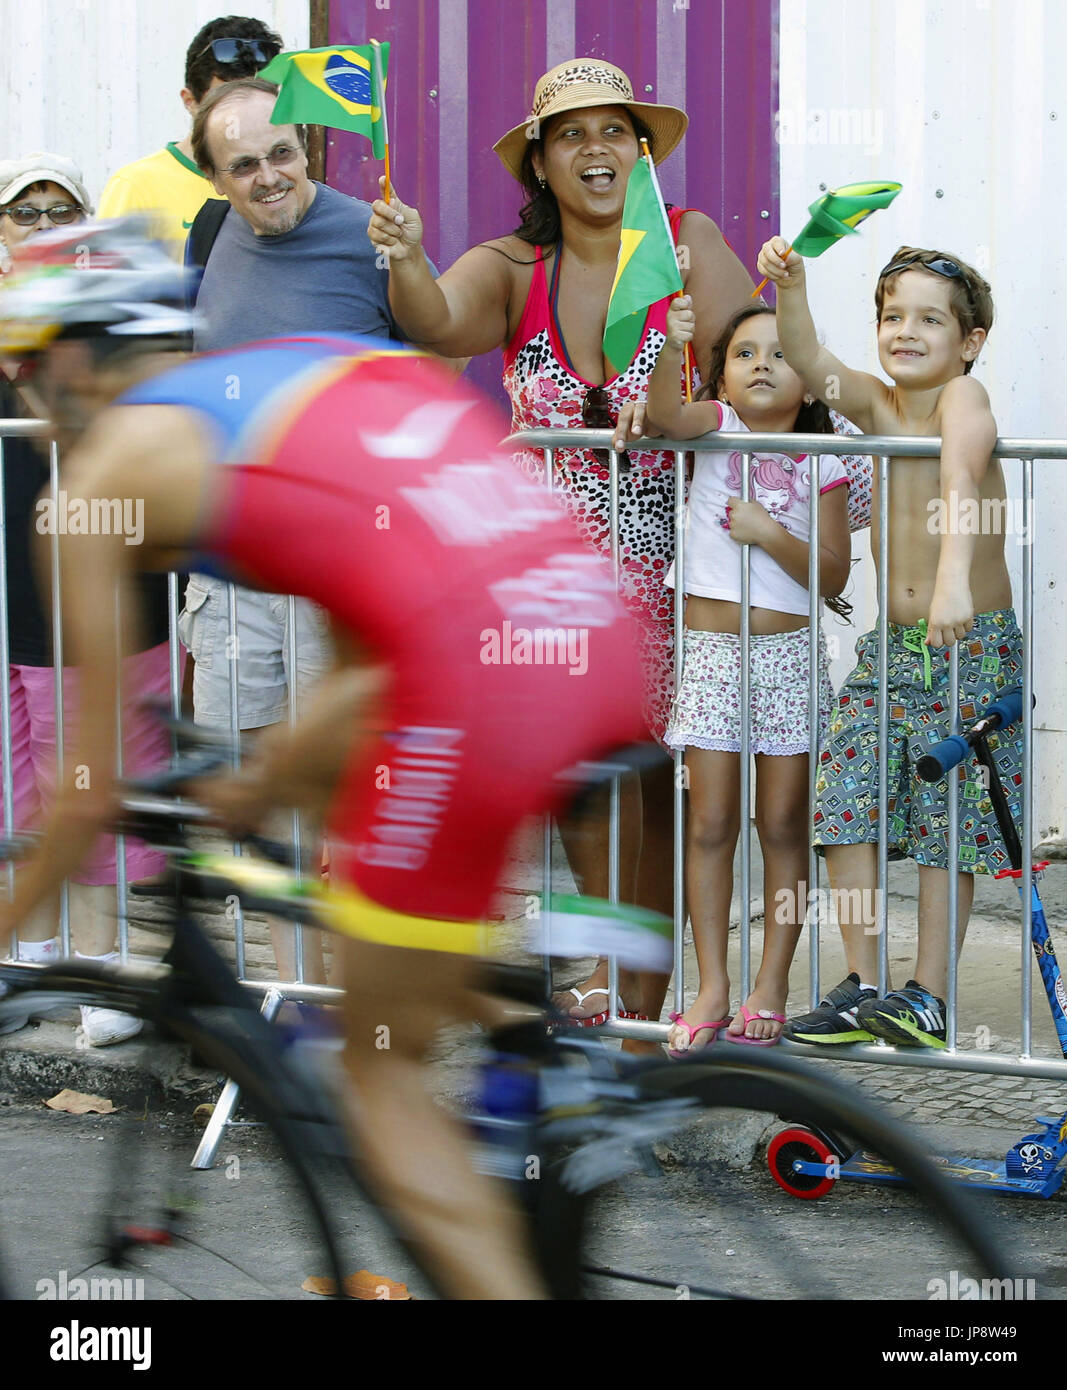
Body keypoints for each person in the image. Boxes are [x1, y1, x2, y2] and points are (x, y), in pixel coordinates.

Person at [0, 219, 652, 1297]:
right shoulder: (281, 382)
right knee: (410, 944)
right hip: (589, 630)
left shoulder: (95, 484)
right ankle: (544, 1098)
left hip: (472, 671)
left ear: (73, 358)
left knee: (376, 1066)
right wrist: (258, 785)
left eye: (23, 363)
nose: (21, 395)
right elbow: (371, 654)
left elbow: (84, 793)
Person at [367, 56, 755, 1042]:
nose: (595, 149)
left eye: (612, 130)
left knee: (655, 795)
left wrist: (693, 413)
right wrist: (405, 254)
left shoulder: (686, 243)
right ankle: (615, 989)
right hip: (552, 589)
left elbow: (764, 378)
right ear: (540, 162)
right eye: (570, 133)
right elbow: (435, 321)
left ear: (639, 147)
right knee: (587, 792)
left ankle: (647, 1003)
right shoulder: (511, 269)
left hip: (679, 579)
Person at [184, 75, 448, 985]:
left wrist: (409, 258)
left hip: (341, 562)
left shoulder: (369, 229)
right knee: (252, 776)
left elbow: (439, 341)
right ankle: (287, 994)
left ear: (310, 149)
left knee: (342, 778)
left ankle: (352, 1001)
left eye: (282, 154)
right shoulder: (210, 234)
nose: (268, 177)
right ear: (214, 177)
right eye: (244, 164)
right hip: (229, 563)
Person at [757, 237, 1020, 1049]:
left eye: (929, 319)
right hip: (892, 649)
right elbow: (807, 356)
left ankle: (927, 997)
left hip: (967, 645)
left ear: (967, 340)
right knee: (844, 794)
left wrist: (950, 579)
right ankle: (866, 984)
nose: (905, 331)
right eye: (891, 316)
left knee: (948, 817)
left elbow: (960, 476)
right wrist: (792, 287)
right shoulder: (875, 404)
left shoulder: (961, 396)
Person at [0, 158, 177, 1046]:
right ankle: (34, 961)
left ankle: (109, 969)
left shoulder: (102, 343)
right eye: (20, 211)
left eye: (56, 209)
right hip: (17, 608)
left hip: (104, 607)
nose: (37, 222)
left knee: (95, 779)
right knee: (28, 787)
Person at [644, 297, 850, 1050]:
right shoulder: (713, 428)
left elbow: (830, 576)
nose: (762, 364)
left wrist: (766, 532)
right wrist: (673, 346)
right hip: (711, 659)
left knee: (785, 822)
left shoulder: (823, 456)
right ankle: (711, 987)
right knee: (708, 822)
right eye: (743, 354)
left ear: (810, 379)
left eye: (780, 352)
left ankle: (769, 983)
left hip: (788, 657)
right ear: (721, 380)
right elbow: (665, 415)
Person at [97, 16, 283, 258]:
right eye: (228, 101)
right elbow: (109, 288)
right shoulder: (137, 186)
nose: (246, 116)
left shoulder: (282, 182)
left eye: (260, 98)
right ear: (191, 101)